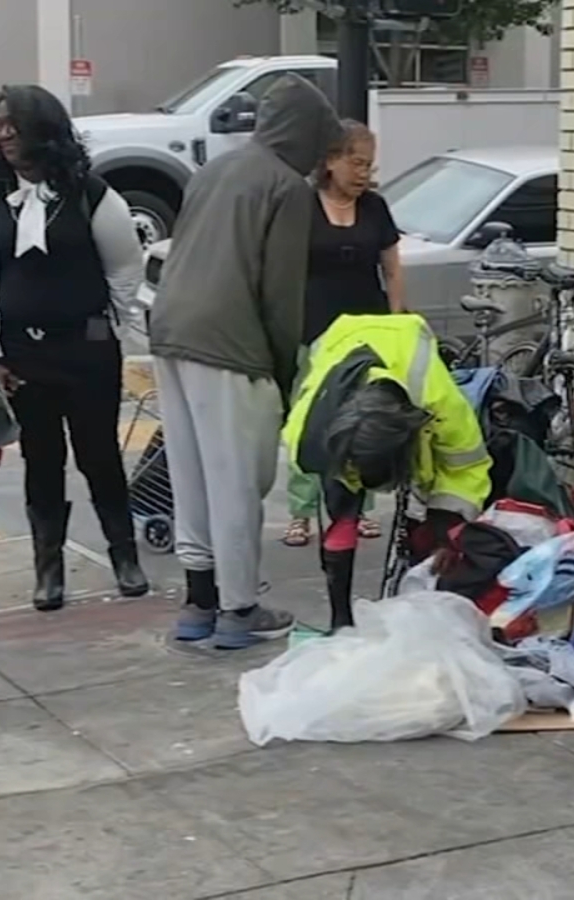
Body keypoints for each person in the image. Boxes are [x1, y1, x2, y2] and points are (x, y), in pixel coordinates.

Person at [150, 74, 341, 648]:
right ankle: (238, 610)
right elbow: (280, 293)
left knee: (191, 477)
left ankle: (198, 603)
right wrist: (284, 375)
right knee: (236, 482)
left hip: (169, 329)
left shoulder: (215, 169)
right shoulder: (285, 185)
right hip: (230, 341)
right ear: (303, 134)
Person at [0, 84, 149, 611]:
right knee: (41, 461)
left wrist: (111, 325)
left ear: (44, 128)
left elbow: (125, 268)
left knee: (100, 456)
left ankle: (124, 557)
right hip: (23, 356)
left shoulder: (92, 193)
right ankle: (50, 571)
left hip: (86, 350)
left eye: (13, 125)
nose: (4, 136)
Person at [283, 313, 491, 631]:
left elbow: (467, 465)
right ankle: (340, 621)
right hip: (336, 340)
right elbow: (333, 484)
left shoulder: (438, 401)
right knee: (341, 509)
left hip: (404, 341)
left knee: (432, 511)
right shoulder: (307, 432)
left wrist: (445, 529)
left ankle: (421, 601)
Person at [282, 119, 405, 548]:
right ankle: (301, 512)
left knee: (364, 421)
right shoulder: (302, 204)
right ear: (330, 160)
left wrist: (396, 321)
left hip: (367, 331)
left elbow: (391, 267)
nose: (363, 173)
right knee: (307, 421)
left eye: (369, 165)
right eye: (356, 162)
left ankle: (359, 508)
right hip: (313, 329)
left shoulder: (375, 207)